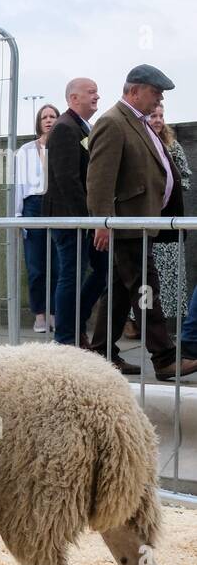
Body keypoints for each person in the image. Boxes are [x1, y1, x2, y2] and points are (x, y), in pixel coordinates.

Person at [85, 64, 197, 380]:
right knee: (147, 288)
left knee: (121, 291)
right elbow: (99, 180)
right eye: (155, 92)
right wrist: (103, 222)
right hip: (126, 224)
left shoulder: (137, 122)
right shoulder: (112, 122)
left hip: (140, 222)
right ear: (135, 90)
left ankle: (102, 354)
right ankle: (164, 358)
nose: (159, 98)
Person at [44, 78, 107, 347]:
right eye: (91, 92)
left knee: (102, 269)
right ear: (73, 98)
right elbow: (68, 180)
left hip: (81, 218)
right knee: (72, 274)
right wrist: (89, 221)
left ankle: (75, 324)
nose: (97, 96)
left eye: (97, 92)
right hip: (70, 218)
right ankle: (66, 339)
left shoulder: (82, 127)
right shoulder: (64, 128)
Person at [14, 103, 61, 331]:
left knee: (59, 264)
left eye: (53, 116)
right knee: (36, 267)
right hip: (33, 206)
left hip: (57, 207)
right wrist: (17, 216)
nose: (49, 120)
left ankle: (54, 312)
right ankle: (40, 314)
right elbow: (19, 185)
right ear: (39, 122)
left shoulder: (64, 147)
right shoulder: (26, 151)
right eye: (45, 117)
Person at [144, 101, 188, 323]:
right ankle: (141, 320)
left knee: (172, 275)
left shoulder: (174, 146)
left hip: (172, 219)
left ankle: (171, 321)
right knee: (149, 277)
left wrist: (174, 185)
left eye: (161, 115)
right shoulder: (141, 144)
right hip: (150, 221)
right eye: (153, 116)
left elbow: (185, 175)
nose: (158, 120)